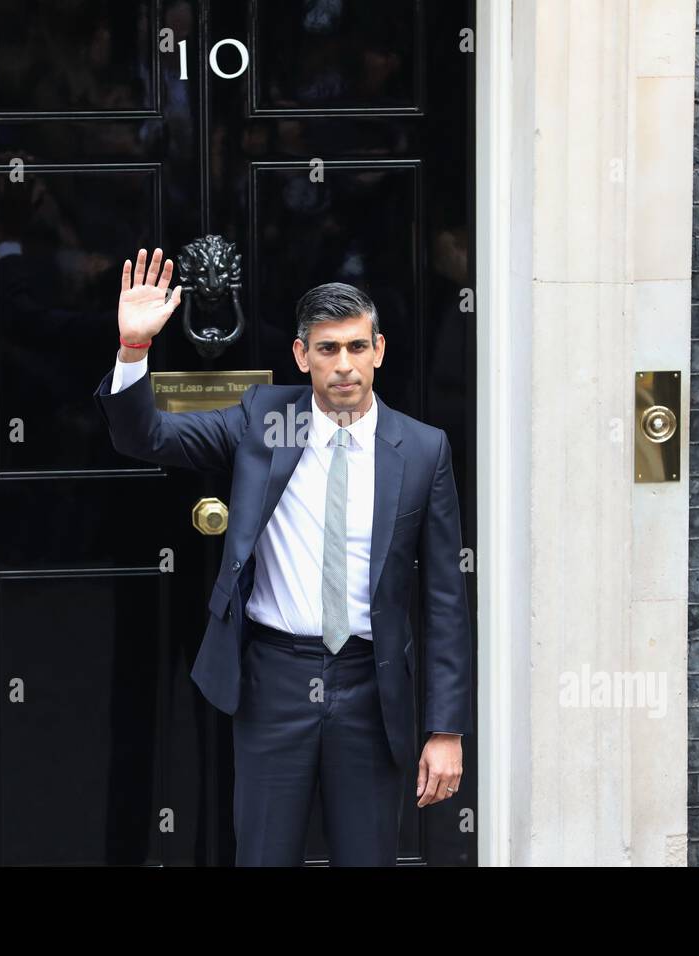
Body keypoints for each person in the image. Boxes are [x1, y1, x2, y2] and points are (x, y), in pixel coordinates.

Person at [93, 247, 472, 866]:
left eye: (355, 347)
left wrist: (447, 729)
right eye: (327, 349)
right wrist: (133, 350)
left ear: (378, 349)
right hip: (275, 679)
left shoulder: (423, 450)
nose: (343, 366)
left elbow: (445, 601)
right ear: (302, 356)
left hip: (371, 687)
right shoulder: (265, 421)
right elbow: (147, 436)